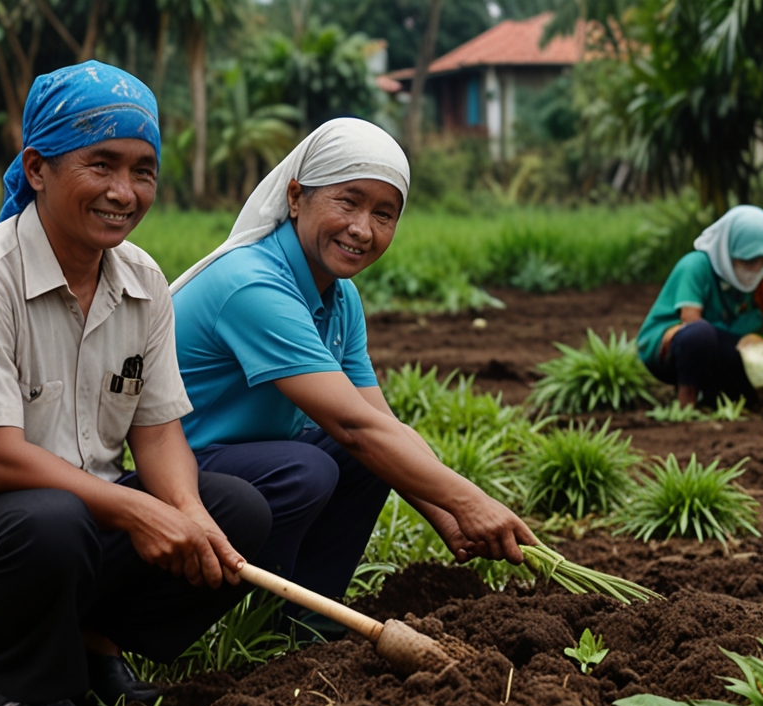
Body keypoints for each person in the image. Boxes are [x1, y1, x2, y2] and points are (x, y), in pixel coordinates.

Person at [0, 62, 271, 706]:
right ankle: (18, 674)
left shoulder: (143, 280)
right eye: (102, 165)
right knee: (52, 521)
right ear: (37, 168)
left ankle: (90, 644)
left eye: (142, 169)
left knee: (239, 511)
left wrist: (190, 515)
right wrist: (139, 509)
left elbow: (158, 433)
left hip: (74, 523)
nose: (125, 191)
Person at [170, 118, 536, 635]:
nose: (363, 229)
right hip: (181, 475)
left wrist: (446, 515)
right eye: (348, 202)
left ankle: (305, 626)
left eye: (384, 214)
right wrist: (469, 500)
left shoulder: (339, 296)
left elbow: (376, 422)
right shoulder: (251, 284)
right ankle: (231, 619)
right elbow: (353, 427)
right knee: (311, 468)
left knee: (366, 461)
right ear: (296, 197)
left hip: (248, 461)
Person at [636, 205, 763, 407]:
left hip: (724, 345)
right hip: (672, 349)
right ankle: (686, 402)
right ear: (727, 249)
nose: (755, 269)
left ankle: (715, 399)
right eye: (749, 261)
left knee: (749, 375)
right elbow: (691, 321)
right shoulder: (696, 266)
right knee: (700, 335)